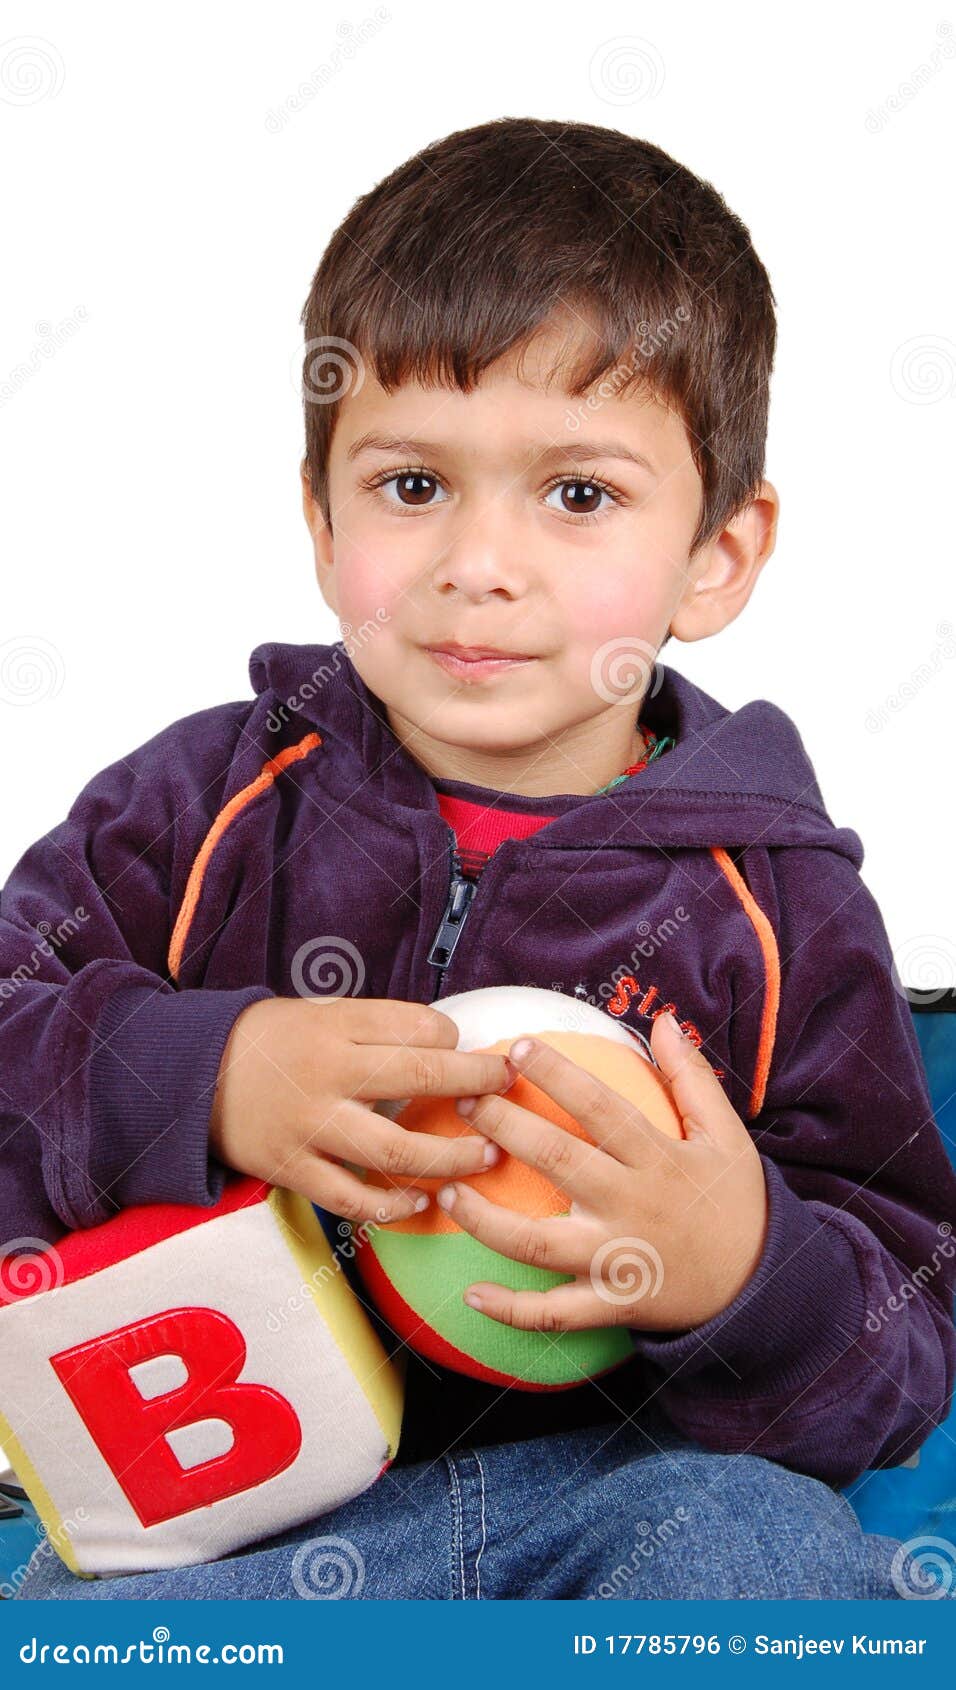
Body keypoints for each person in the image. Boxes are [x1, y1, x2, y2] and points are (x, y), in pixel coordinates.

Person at [4, 117, 955, 1601]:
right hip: (228, 1532)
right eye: (411, 487)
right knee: (73, 1623)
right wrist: (205, 1076)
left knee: (765, 1554)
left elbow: (908, 1345)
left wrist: (740, 1266)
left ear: (717, 555)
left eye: (578, 495)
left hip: (623, 1501)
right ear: (321, 517)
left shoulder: (784, 910)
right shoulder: (203, 807)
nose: (479, 566)